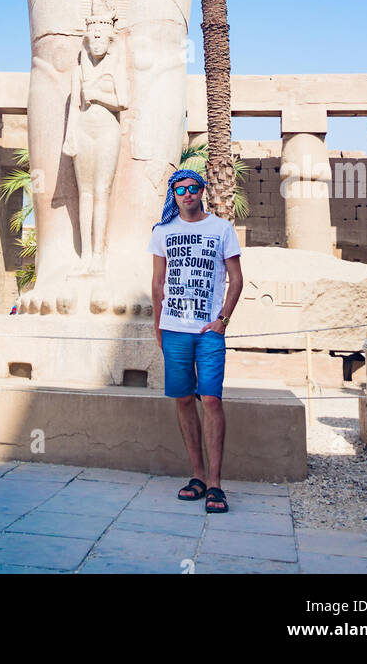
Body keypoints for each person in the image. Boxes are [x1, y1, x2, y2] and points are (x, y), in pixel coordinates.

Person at [148, 168, 243, 513]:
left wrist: (223, 320)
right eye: (180, 189)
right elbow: (157, 283)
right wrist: (158, 326)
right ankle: (198, 476)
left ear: (202, 191)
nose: (187, 194)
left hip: (208, 331)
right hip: (174, 328)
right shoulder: (163, 231)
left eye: (192, 188)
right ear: (173, 195)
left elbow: (236, 279)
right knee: (185, 399)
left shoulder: (221, 229)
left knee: (211, 399)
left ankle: (216, 483)